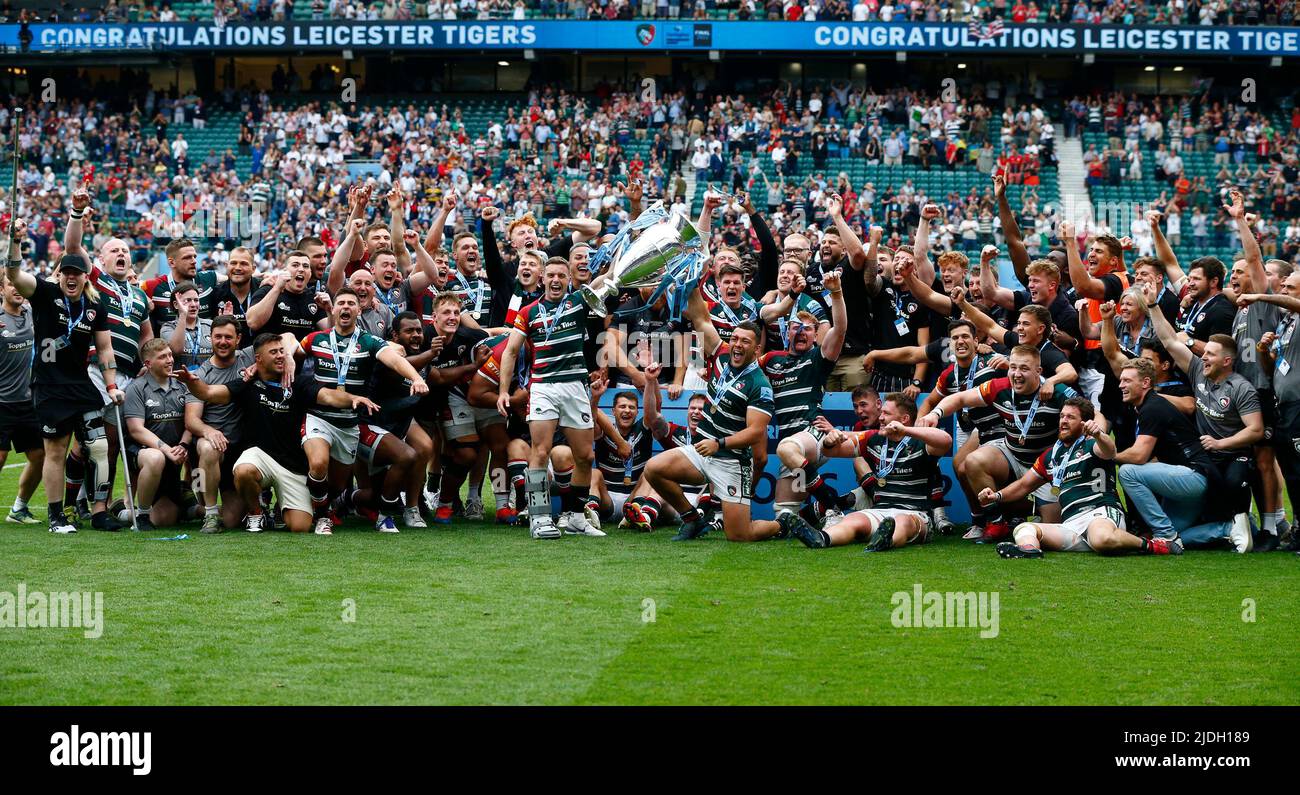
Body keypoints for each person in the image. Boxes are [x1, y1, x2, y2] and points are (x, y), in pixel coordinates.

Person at [176, 334, 379, 533]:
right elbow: (210, 393)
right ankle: (256, 513)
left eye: (282, 351)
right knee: (244, 470)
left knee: (300, 527)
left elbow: (328, 396)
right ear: (259, 359)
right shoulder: (247, 384)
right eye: (274, 352)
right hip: (259, 456)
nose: (281, 355)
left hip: (292, 466)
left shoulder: (298, 383)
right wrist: (191, 383)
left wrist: (353, 398)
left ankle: (280, 509)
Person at [6, 242, 124, 535]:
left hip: (81, 386)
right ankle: (57, 516)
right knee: (56, 451)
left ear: (86, 276)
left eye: (78, 273)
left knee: (98, 446)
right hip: (49, 386)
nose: (71, 277)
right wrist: (16, 243)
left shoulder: (95, 306)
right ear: (59, 275)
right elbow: (14, 273)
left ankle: (98, 512)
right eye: (66, 272)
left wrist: (111, 385)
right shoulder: (45, 293)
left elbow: (105, 348)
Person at [295, 288, 429, 535]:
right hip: (319, 418)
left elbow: (394, 359)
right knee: (318, 463)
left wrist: (415, 378)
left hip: (351, 424)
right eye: (341, 303)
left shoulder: (369, 341)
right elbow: (292, 356)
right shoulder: (315, 339)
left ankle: (383, 514)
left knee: (336, 485)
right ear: (333, 309)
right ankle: (323, 517)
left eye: (351, 304)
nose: (345, 307)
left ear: (358, 310)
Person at [919, 345, 1080, 541]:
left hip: (1046, 465)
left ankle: (1027, 512)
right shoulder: (998, 387)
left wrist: (1095, 434)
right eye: (1013, 367)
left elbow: (1092, 414)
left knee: (1052, 530)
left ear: (1039, 371)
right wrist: (936, 414)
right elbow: (960, 398)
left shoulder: (1056, 391)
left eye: (1024, 369)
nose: (1017, 374)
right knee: (973, 461)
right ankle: (996, 522)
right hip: (1012, 454)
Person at [1146, 287, 1264, 552]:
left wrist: (1221, 444)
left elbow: (1256, 430)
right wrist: (1153, 306)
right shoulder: (1199, 370)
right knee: (1191, 516)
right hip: (1205, 454)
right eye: (1205, 352)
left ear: (1227, 360)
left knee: (1233, 482)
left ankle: (1245, 523)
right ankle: (1228, 530)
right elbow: (1170, 342)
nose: (1204, 357)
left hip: (1233, 453)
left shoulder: (1241, 388)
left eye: (1210, 353)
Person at [983, 397, 1178, 557]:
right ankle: (1029, 551)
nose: (1063, 421)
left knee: (1101, 539)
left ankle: (1154, 546)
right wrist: (996, 496)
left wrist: (1101, 435)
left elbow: (1110, 451)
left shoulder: (1092, 444)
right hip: (1071, 523)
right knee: (1025, 529)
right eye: (1062, 416)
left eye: (1070, 417)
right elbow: (1023, 486)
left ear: (1084, 423)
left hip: (1100, 513)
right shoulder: (1050, 455)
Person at [497, 258, 604, 539]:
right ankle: (540, 517)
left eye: (562, 276)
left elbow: (609, 278)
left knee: (585, 455)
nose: (556, 280)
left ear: (569, 279)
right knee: (540, 451)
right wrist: (503, 391)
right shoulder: (528, 312)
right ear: (542, 278)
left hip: (575, 386)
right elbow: (510, 352)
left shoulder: (580, 301)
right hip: (543, 386)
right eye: (551, 275)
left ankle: (577, 518)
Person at [781, 392, 951, 552]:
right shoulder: (874, 438)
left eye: (886, 413)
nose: (881, 417)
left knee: (903, 522)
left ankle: (886, 541)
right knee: (853, 520)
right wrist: (829, 442)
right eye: (882, 412)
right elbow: (831, 451)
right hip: (880, 510)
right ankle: (821, 538)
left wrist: (906, 430)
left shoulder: (921, 442)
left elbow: (946, 440)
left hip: (915, 513)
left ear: (904, 419)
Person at [183, 315, 254, 533]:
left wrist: (287, 358)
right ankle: (209, 514)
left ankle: (195, 507)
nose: (223, 342)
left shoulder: (248, 357)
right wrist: (209, 431)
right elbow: (191, 419)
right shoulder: (200, 375)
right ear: (210, 338)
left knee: (233, 520)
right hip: (209, 451)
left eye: (228, 337)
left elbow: (287, 339)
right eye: (218, 337)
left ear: (238, 339)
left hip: (238, 449)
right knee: (208, 446)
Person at [121, 338, 191, 532]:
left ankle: (190, 503)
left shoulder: (182, 385)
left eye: (170, 355)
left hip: (174, 454)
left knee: (166, 519)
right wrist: (168, 450)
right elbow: (136, 429)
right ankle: (140, 515)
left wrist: (183, 445)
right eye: (162, 357)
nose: (169, 360)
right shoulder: (137, 388)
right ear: (148, 364)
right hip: (144, 452)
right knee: (155, 457)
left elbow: (191, 422)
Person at [0, 270, 45, 524]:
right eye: (10, 285)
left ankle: (18, 509)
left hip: (27, 401)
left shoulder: (31, 313)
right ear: (1, 290)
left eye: (19, 284)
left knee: (39, 457)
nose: (16, 288)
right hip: (1, 402)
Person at [160, 281, 213, 371]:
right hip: (179, 383)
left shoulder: (211, 325)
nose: (193, 305)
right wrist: (183, 315)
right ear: (176, 305)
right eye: (187, 300)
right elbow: (176, 350)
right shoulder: (168, 327)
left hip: (209, 382)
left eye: (196, 300)